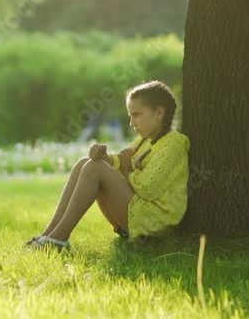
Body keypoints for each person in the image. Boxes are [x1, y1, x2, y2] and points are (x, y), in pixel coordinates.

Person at [26, 81, 189, 249]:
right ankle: (48, 235)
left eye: (136, 115)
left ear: (159, 113)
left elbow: (147, 188)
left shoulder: (173, 145)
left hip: (154, 222)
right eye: (130, 116)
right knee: (84, 163)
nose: (131, 123)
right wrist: (105, 157)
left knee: (94, 168)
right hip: (137, 210)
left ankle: (58, 240)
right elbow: (121, 160)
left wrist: (127, 170)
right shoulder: (145, 140)